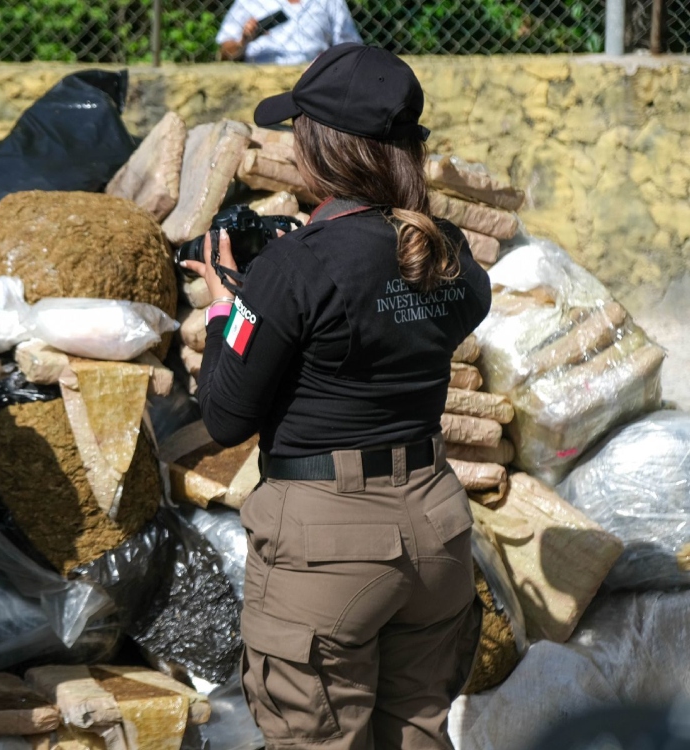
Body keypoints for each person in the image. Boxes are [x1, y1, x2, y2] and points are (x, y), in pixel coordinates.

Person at [181, 44, 490, 750]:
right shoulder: (446, 249)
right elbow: (443, 305)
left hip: (327, 543)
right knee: (419, 734)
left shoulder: (296, 265)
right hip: (435, 528)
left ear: (320, 144)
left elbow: (226, 416)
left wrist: (233, 308)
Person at [217, 0, 362, 65]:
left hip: (312, 79)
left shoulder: (331, 2)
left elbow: (350, 49)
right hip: (260, 79)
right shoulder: (250, 2)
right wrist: (243, 42)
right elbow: (225, 54)